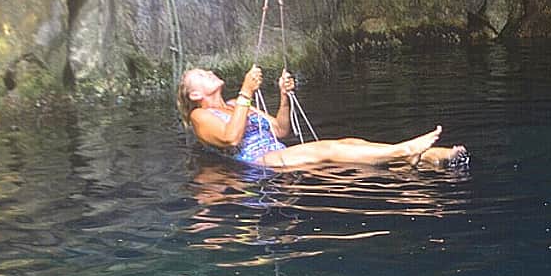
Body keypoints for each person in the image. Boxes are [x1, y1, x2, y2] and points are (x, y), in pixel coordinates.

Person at [177, 66, 467, 169]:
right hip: (262, 165)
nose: (210, 72)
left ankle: (428, 156)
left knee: (350, 141)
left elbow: (280, 130)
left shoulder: (234, 104)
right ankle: (405, 149)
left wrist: (284, 96)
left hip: (279, 151)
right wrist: (245, 91)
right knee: (327, 148)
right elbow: (231, 138)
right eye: (201, 76)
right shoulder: (200, 115)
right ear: (194, 95)